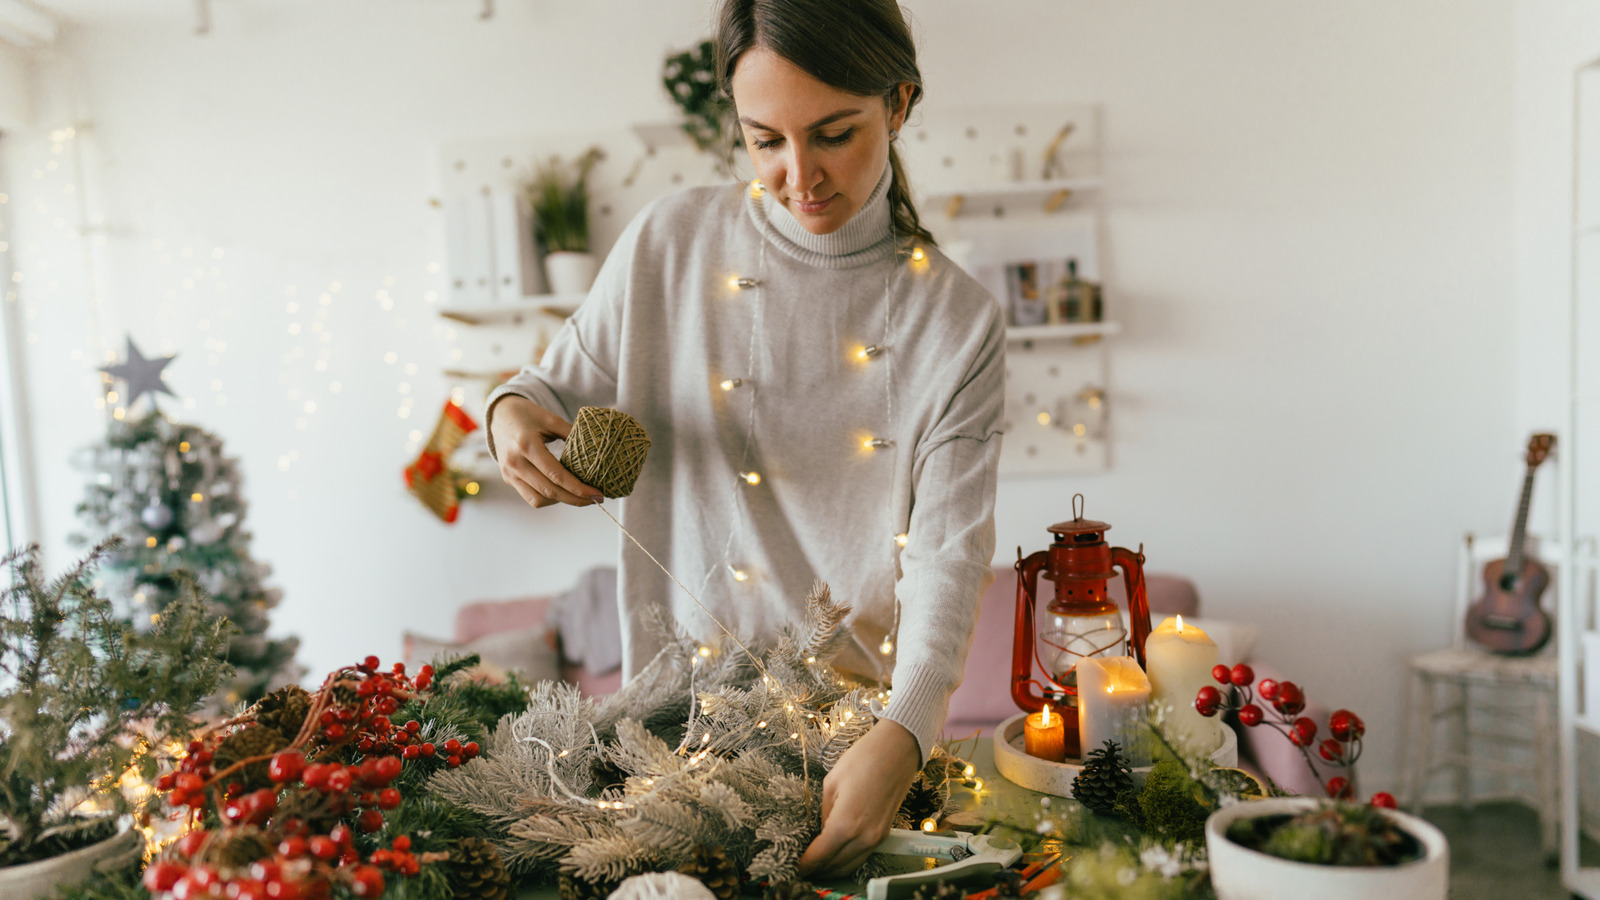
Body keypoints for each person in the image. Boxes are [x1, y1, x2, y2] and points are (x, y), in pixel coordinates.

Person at [485, 0, 1003, 877]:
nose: (801, 175)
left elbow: (948, 557)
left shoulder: (954, 322)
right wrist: (509, 419)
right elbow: (542, 387)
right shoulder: (670, 243)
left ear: (900, 104)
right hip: (663, 746)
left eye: (835, 133)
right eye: (766, 140)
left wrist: (907, 731)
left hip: (846, 755)